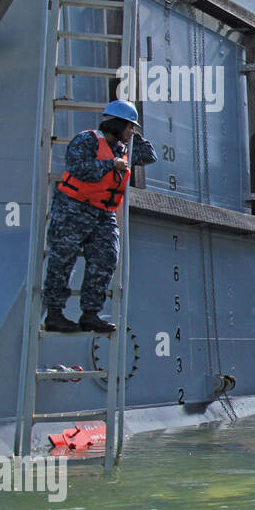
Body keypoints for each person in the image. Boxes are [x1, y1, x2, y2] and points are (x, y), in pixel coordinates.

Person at [42, 100, 158, 334]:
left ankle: (90, 313)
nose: (131, 132)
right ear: (117, 125)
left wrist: (134, 136)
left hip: (102, 214)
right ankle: (54, 314)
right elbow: (78, 169)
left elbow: (149, 156)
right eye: (129, 127)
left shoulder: (124, 149)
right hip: (73, 209)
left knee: (106, 258)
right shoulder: (86, 140)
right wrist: (109, 165)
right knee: (62, 261)